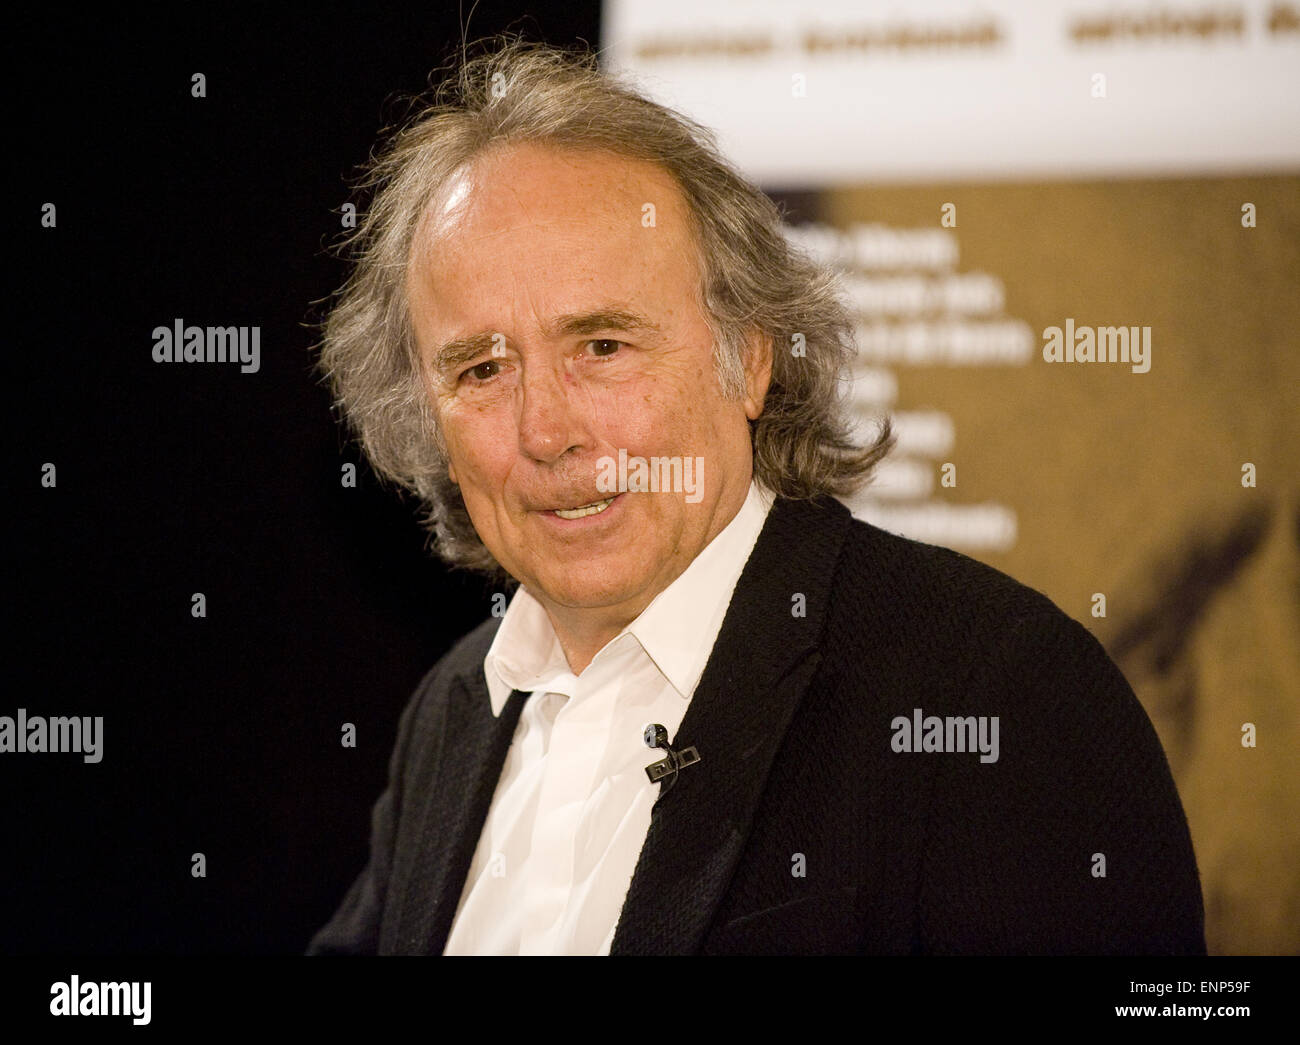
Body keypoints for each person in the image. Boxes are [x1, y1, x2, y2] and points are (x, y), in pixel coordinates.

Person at [306, 37, 1205, 955]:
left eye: (603, 347)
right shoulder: (452, 712)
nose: (546, 431)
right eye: (483, 368)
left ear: (751, 359)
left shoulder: (999, 693)